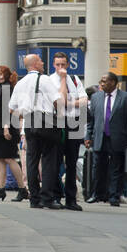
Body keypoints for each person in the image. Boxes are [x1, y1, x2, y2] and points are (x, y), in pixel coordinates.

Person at [9, 53, 59, 208]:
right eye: (40, 60)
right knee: (49, 160)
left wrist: (25, 113)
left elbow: (11, 109)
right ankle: (47, 198)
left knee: (31, 161)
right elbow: (57, 101)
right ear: (35, 64)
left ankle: (34, 199)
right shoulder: (45, 79)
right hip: (46, 120)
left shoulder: (20, 83)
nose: (43, 62)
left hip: (29, 122)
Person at [85, 73, 127, 206]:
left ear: (114, 83)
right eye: (101, 81)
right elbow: (92, 120)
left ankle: (114, 196)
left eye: (105, 81)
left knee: (116, 169)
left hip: (119, 138)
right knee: (97, 168)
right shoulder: (96, 97)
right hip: (99, 138)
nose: (101, 84)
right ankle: (97, 194)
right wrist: (88, 136)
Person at [48, 53, 89, 210]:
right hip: (58, 123)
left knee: (72, 162)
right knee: (56, 162)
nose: (61, 68)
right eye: (58, 64)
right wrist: (63, 81)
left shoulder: (75, 79)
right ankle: (57, 195)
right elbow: (60, 101)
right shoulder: (50, 81)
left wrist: (69, 103)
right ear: (53, 65)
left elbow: (84, 101)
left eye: (63, 64)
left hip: (74, 123)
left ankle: (71, 199)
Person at [0, 65, 28, 202]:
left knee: (9, 158)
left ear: (2, 75)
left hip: (5, 128)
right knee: (0, 158)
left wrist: (6, 127)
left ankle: (22, 189)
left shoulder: (7, 89)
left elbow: (8, 109)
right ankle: (0, 189)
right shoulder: (2, 88)